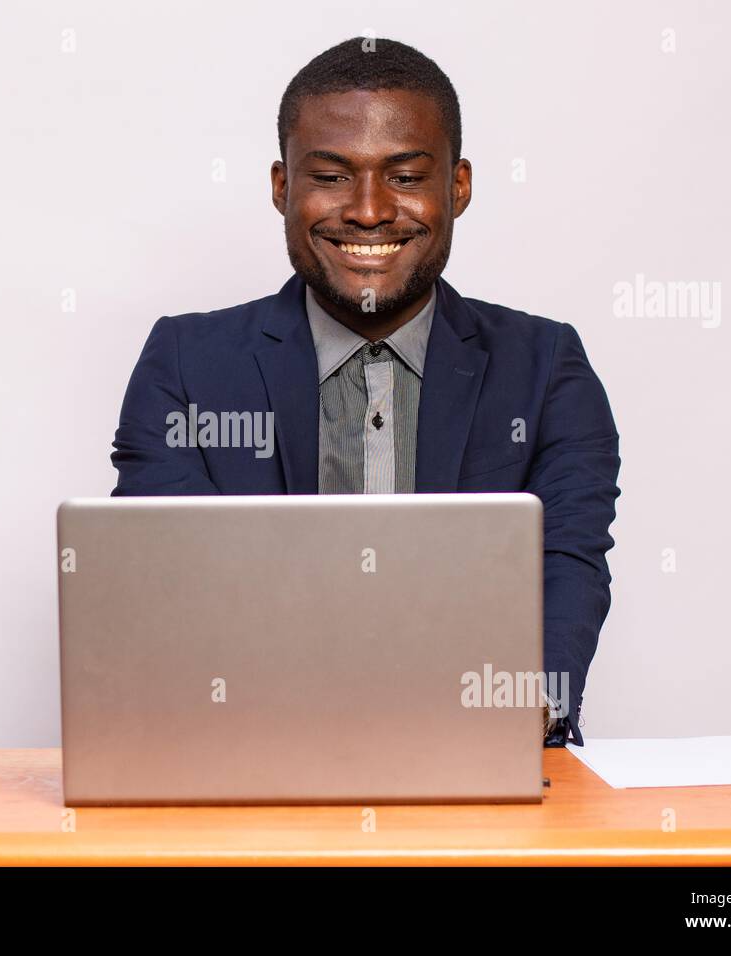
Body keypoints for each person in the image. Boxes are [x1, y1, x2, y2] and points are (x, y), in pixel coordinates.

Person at [110, 37, 620, 746]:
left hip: (477, 758)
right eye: (331, 176)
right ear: (283, 186)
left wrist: (514, 719)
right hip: (243, 758)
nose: (371, 211)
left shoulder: (543, 368)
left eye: (407, 176)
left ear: (459, 187)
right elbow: (160, 588)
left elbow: (567, 565)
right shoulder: (187, 364)